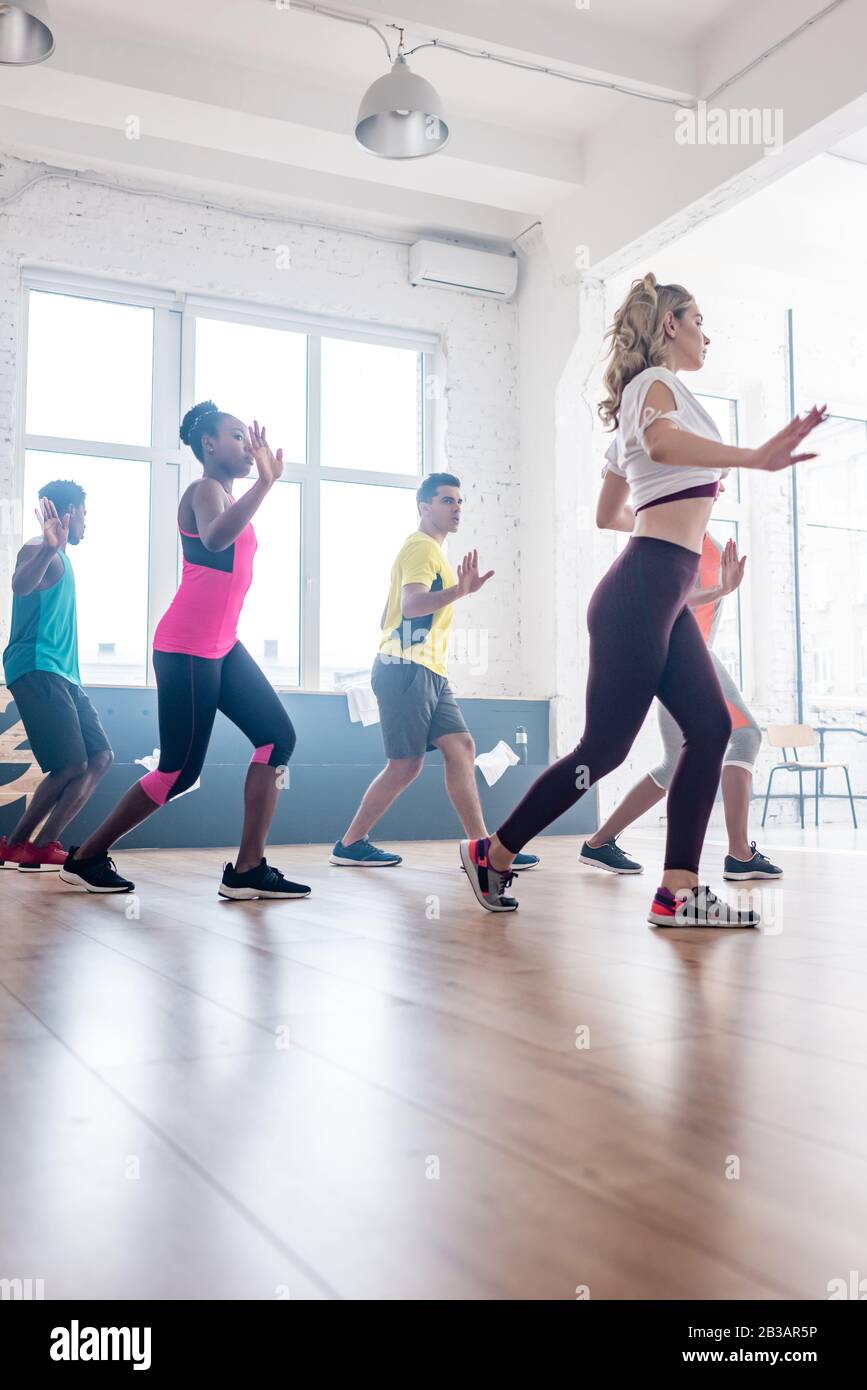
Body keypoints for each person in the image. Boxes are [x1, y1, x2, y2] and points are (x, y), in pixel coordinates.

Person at [460, 273, 824, 925]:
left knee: (711, 728)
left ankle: (676, 892)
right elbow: (657, 446)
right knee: (602, 750)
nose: (706, 333)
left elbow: (609, 512)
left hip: (659, 588)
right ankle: (493, 851)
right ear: (669, 327)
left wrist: (671, 538)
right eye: (697, 319)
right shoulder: (653, 388)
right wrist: (748, 456)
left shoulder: (652, 396)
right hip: (641, 588)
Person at [59, 401, 309, 900]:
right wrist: (265, 483)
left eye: (249, 436)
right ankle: (86, 856)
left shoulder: (227, 496)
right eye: (236, 436)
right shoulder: (203, 491)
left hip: (221, 646)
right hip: (187, 648)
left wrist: (259, 485)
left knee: (277, 738)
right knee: (178, 770)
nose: (248, 443)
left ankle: (248, 869)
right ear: (208, 445)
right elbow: (216, 540)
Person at [330, 473, 539, 871]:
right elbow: (411, 606)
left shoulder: (430, 553)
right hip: (406, 669)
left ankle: (482, 848)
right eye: (446, 500)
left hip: (428, 671)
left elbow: (388, 615)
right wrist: (458, 592)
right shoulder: (422, 548)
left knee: (461, 747)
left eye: (459, 501)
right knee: (404, 765)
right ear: (424, 508)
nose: (456, 507)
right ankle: (350, 843)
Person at [580, 530, 781, 882]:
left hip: (684, 656)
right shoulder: (678, 540)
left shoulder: (708, 544)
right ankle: (739, 854)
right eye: (715, 476)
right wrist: (721, 589)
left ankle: (599, 842)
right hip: (683, 656)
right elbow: (676, 602)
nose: (718, 484)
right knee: (746, 734)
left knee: (674, 765)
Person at [1, 482, 113, 870]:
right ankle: (16, 845)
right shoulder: (38, 548)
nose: (87, 521)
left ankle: (45, 843)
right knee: (69, 765)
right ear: (67, 514)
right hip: (36, 667)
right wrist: (49, 547)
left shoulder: (64, 560)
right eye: (84, 513)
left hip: (65, 675)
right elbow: (19, 585)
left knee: (100, 756)